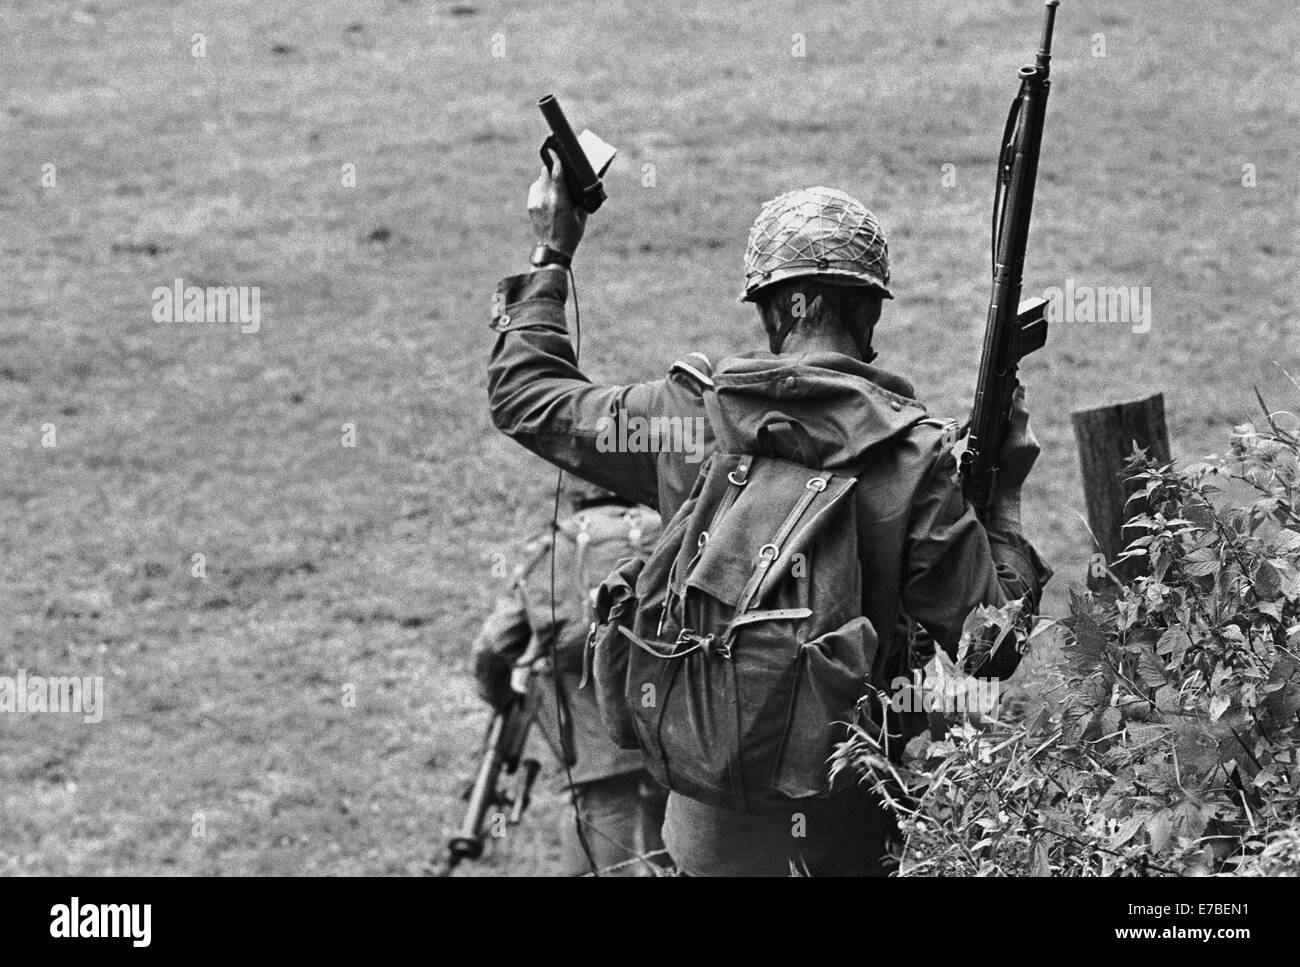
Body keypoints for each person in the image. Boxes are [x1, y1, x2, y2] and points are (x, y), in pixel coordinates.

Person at [484, 157, 1051, 876]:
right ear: (868, 308)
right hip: (846, 843)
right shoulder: (912, 460)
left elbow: (527, 396)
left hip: (703, 841)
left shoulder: (688, 419)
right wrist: (1001, 503)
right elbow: (990, 648)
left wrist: (552, 247)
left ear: (782, 308)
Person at [471, 478, 668, 875]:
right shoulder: (667, 531)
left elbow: (495, 646)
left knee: (601, 811)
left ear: (575, 497)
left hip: (590, 720)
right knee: (673, 812)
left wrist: (499, 696)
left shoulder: (550, 547)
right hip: (670, 710)